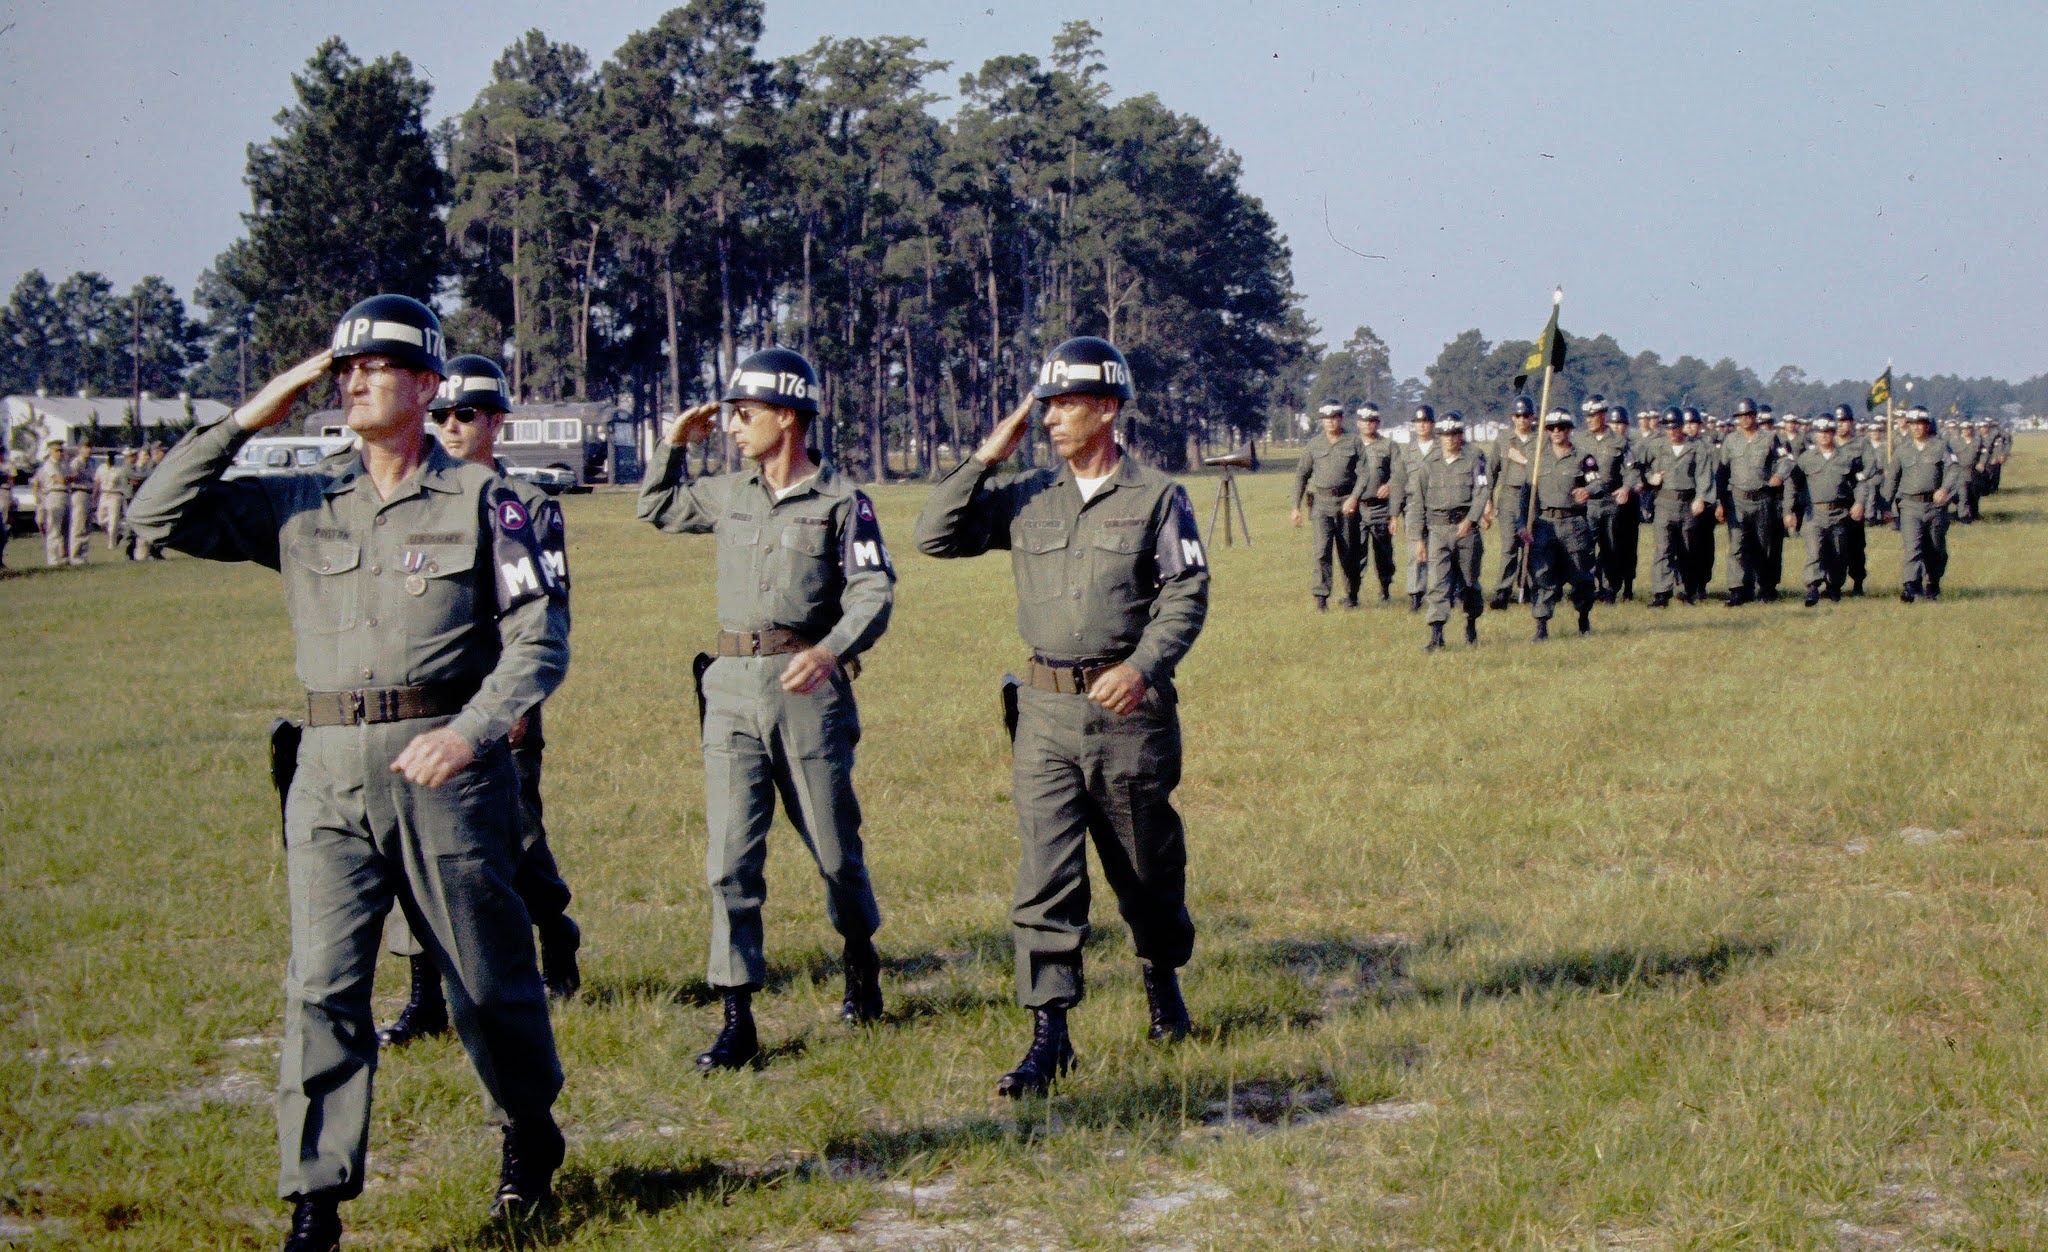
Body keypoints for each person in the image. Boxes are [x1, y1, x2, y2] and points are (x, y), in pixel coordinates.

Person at [128, 294, 572, 1251]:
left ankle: (528, 1135)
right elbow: (153, 513)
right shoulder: (302, 500)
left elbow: (539, 640)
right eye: (344, 369)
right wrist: (253, 414)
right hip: (325, 771)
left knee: (485, 977)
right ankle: (316, 1201)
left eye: (378, 367)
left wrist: (475, 732)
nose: (356, 381)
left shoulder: (483, 501)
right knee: (324, 985)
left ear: (425, 386)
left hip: (441, 767)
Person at [913, 336, 1209, 1097]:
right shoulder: (1028, 498)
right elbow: (935, 538)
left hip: (1128, 716)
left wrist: (1141, 669)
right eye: (1044, 405)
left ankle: (1161, 976)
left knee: (1145, 869)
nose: (1050, 418)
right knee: (1045, 873)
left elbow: (1185, 595)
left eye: (1066, 403)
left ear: (1108, 407)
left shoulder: (1158, 498)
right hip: (1042, 712)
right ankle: (1051, 1031)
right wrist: (986, 456)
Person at [638, 347, 896, 1072]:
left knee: (835, 849)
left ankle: (859, 955)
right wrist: (673, 446)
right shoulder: (727, 493)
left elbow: (874, 590)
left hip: (806, 688)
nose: (733, 428)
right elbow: (656, 507)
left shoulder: (843, 502)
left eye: (744, 414)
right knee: (730, 857)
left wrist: (832, 649)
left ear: (788, 416)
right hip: (728, 687)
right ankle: (737, 1014)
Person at [377, 355, 584, 1050]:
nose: (452, 427)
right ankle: (423, 997)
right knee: (411, 848)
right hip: (421, 708)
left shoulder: (528, 505)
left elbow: (541, 620)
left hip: (499, 706)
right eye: (440, 414)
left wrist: (516, 706)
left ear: (498, 420)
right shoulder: (412, 502)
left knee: (517, 840)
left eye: (467, 414)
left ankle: (555, 935)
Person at [1407, 412, 1489, 651]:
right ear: (1439, 437)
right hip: (1437, 530)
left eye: (1454, 434)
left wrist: (1472, 520)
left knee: (1470, 582)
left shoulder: (1474, 461)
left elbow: (1482, 492)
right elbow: (1416, 504)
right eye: (1445, 434)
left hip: (1466, 530)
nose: (1449, 439)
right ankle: (1436, 634)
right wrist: (1418, 540)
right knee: (1438, 583)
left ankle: (1471, 623)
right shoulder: (1427, 467)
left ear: (1461, 435)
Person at [1524, 407, 1603, 639]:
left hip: (1573, 524)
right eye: (1552, 428)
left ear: (1570, 429)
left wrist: (1587, 491)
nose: (1557, 432)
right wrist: (1523, 523)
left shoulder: (1583, 458)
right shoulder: (1538, 459)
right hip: (1544, 524)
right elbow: (1526, 496)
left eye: (1562, 427)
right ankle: (1541, 626)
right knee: (1543, 576)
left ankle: (1583, 619)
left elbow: (1597, 484)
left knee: (1581, 575)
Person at [1784, 412, 1869, 605]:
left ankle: (1834, 587)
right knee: (1815, 551)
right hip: (1814, 513)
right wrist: (1788, 510)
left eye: (1828, 432)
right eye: (1820, 432)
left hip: (1839, 513)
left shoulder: (1847, 458)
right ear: (1815, 434)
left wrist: (1859, 503)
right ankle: (1813, 587)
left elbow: (1861, 484)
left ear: (1833, 433)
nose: (1824, 435)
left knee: (1838, 553)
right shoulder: (1806, 459)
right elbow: (1792, 484)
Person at [1289, 402, 1364, 610]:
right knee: (1322, 551)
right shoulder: (1314, 445)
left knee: (1348, 551)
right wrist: (1295, 506)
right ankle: (1321, 598)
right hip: (1321, 503)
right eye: (1326, 418)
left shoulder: (1353, 442)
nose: (1330, 421)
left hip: (1346, 502)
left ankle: (1352, 594)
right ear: (1321, 421)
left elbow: (1364, 474)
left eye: (1334, 417)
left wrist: (1355, 497)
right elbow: (1301, 475)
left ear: (1340, 419)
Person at [1883, 406, 1962, 602]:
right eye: (1913, 424)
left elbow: (1953, 470)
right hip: (1910, 506)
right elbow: (1892, 479)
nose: (1917, 428)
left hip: (1935, 507)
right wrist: (1885, 506)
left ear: (1927, 425)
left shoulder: (1940, 447)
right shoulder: (1902, 451)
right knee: (1913, 547)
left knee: (1935, 549)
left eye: (1921, 424)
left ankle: (1932, 583)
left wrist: (1944, 489)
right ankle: (1910, 585)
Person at [1714, 398, 1785, 606]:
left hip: (1762, 499)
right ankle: (1738, 589)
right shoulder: (1730, 441)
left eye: (1748, 415)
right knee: (1737, 546)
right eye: (1740, 416)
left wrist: (1779, 475)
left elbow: (1785, 460)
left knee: (1764, 546)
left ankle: (1766, 587)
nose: (1744, 420)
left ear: (1755, 416)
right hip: (1737, 500)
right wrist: (1720, 502)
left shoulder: (1770, 438)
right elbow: (1722, 472)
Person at [1642, 407, 1714, 607]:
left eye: (1676, 427)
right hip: (1664, 502)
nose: (1672, 432)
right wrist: (1650, 478)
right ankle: (1661, 593)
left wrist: (1701, 498)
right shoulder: (1657, 447)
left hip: (1687, 504)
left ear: (1682, 427)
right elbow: (1640, 465)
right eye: (1668, 428)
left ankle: (1687, 591)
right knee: (1663, 549)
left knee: (1687, 549)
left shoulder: (1697, 448)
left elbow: (1703, 475)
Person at [1575, 395, 1638, 602]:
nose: (1589, 419)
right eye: (1586, 415)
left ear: (1603, 415)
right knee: (1585, 547)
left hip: (1610, 503)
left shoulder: (1619, 442)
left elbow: (1631, 469)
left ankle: (1609, 589)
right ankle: (1587, 586)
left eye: (1592, 415)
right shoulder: (1580, 441)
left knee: (1611, 548)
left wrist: (1626, 488)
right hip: (1586, 504)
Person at [1484, 396, 1539, 610]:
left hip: (1533, 497)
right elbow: (1492, 470)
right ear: (1512, 418)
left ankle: (1529, 588)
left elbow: (1543, 467)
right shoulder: (1503, 439)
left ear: (1532, 417)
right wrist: (1488, 499)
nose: (1522, 420)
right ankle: (1503, 591)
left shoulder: (1540, 440)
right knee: (1509, 546)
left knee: (1531, 545)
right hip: (1508, 497)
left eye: (1526, 415)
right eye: (1518, 416)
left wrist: (1523, 460)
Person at [1353, 403, 1401, 601]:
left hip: (1380, 507)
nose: (1368, 425)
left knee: (1383, 552)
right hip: (1357, 508)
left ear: (1378, 423)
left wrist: (1389, 484)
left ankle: (1385, 589)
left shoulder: (1389, 446)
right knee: (1356, 552)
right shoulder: (1351, 445)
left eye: (1372, 421)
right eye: (1364, 421)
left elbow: (1399, 473)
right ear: (1358, 423)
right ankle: (1353, 593)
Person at [1395, 405, 1438, 610]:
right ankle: (1415, 594)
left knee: (1440, 551)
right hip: (1413, 506)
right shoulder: (1407, 452)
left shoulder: (1441, 448)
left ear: (1433, 424)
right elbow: (1399, 483)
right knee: (1415, 552)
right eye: (1418, 422)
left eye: (1426, 422)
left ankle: (1443, 592)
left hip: (1438, 505)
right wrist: (1394, 513)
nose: (1422, 426)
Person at [31, 440, 71, 567]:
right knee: (54, 528)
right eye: (57, 450)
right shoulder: (49, 465)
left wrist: (69, 478)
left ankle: (64, 557)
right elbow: (60, 480)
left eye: (61, 450)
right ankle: (53, 559)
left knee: (65, 528)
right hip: (54, 494)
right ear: (50, 452)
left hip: (65, 494)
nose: (60, 453)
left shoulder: (64, 465)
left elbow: (74, 476)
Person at [95, 450, 133, 548]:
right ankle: (119, 531)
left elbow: (124, 483)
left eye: (111, 457)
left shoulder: (118, 470)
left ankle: (111, 544)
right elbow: (97, 482)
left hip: (115, 495)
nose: (109, 459)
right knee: (100, 520)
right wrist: (95, 496)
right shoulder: (101, 468)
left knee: (113, 521)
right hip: (103, 494)